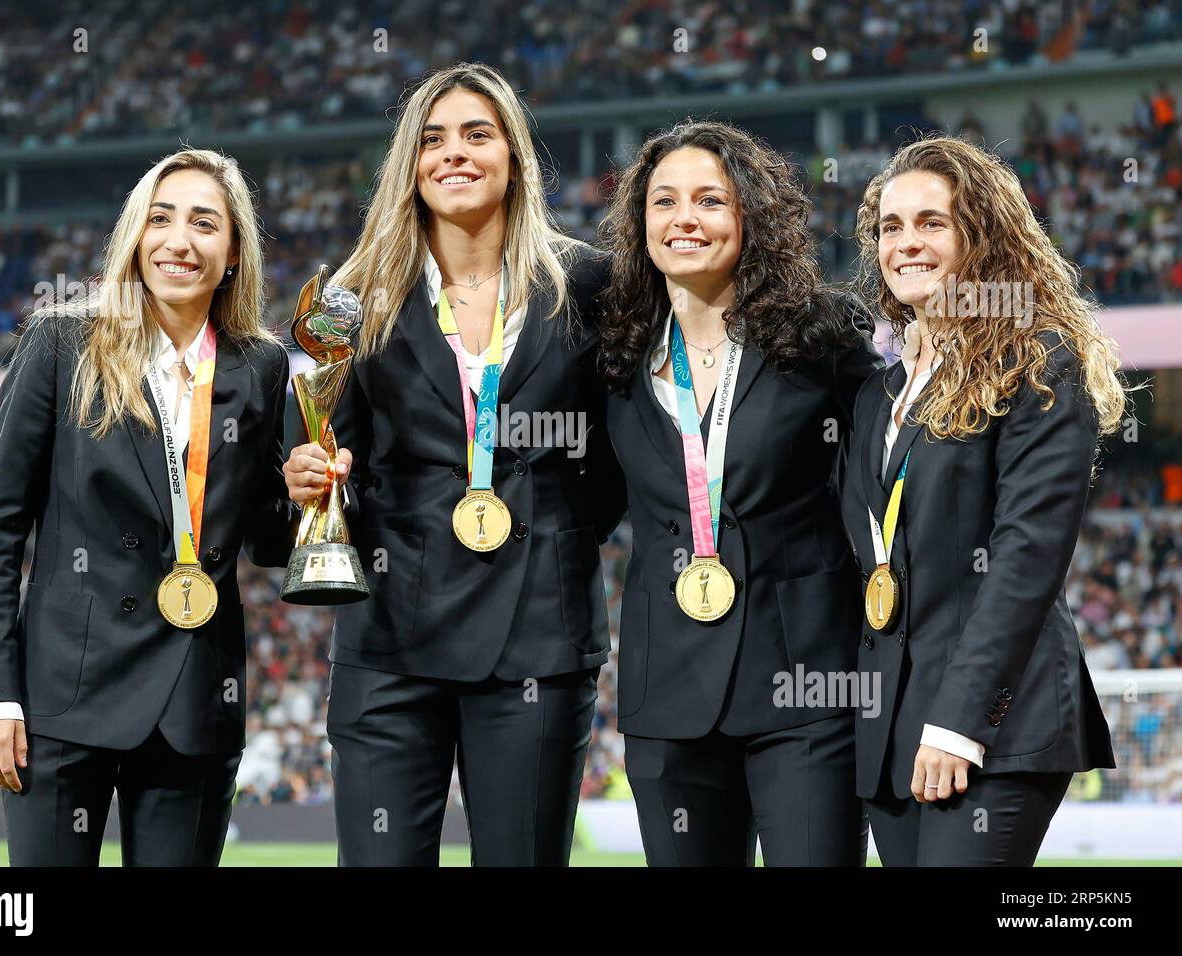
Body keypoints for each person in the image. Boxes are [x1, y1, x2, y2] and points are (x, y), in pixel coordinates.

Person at [282, 62, 624, 866]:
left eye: (478, 134)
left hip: (539, 636)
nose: (454, 154)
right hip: (392, 640)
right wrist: (308, 481)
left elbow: (616, 462)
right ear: (410, 163)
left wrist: (552, 535)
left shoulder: (588, 284)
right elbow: (338, 454)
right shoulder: (351, 295)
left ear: (514, 155)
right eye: (432, 140)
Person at [0, 148, 301, 866]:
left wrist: (307, 497)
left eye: (205, 223)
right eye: (161, 218)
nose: (180, 240)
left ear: (234, 250)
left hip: (194, 701)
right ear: (135, 236)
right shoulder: (61, 342)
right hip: (61, 700)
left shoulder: (262, 366)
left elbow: (270, 543)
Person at [596, 120, 882, 866]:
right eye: (663, 202)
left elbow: (897, 471)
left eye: (710, 201)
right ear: (640, 221)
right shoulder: (614, 354)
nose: (683, 219)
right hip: (669, 695)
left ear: (751, 216)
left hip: (808, 688)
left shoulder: (822, 335)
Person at [843, 135, 1125, 865]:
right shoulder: (878, 394)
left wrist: (959, 723)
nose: (908, 243)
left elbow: (1026, 560)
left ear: (982, 236)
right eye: (891, 227)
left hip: (990, 728)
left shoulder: (1037, 365)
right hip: (893, 731)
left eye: (933, 222)